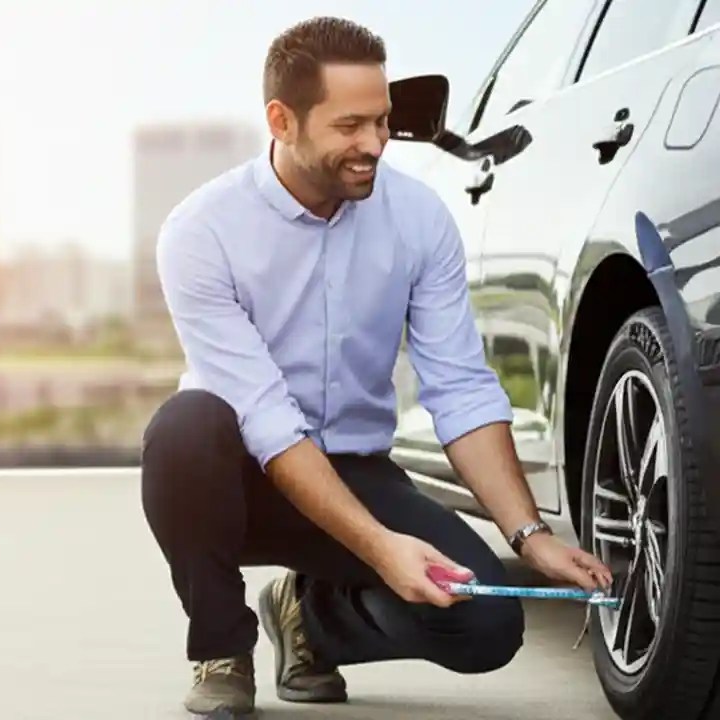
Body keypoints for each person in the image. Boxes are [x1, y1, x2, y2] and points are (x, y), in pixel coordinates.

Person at [139, 16, 613, 717]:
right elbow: (266, 419)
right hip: (235, 478)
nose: (375, 144)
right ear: (282, 121)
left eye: (383, 121)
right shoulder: (201, 231)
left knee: (486, 626)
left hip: (358, 471)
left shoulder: (418, 219)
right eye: (350, 126)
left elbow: (460, 388)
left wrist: (530, 536)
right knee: (184, 430)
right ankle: (221, 648)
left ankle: (308, 618)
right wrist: (382, 550)